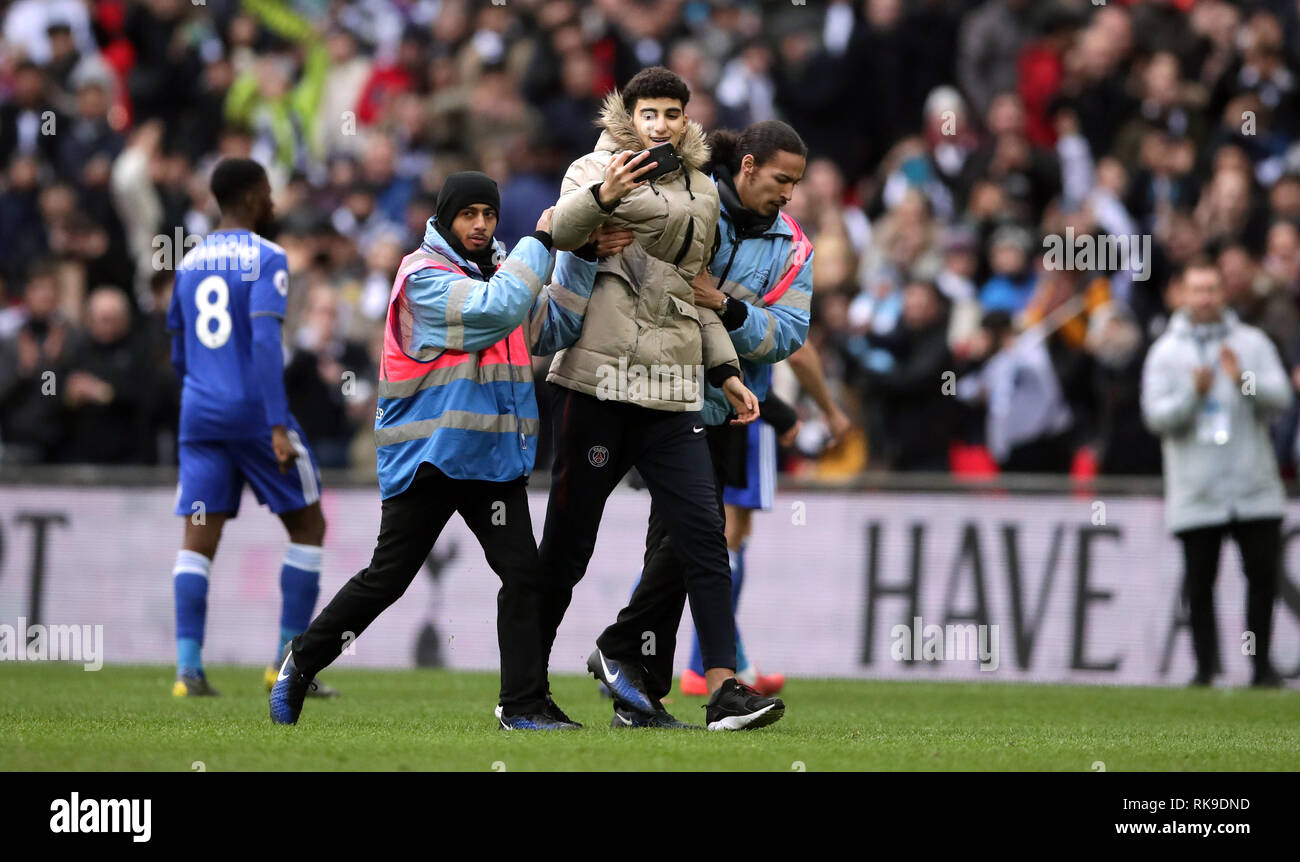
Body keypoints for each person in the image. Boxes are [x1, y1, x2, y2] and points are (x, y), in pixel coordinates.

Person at [270, 171, 600, 729]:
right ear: (445, 219)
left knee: (525, 576)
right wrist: (543, 240)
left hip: (490, 460)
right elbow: (498, 309)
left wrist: (583, 257)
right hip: (429, 457)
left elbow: (552, 328)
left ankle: (521, 704)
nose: (480, 225)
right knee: (388, 580)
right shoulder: (420, 275)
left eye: (489, 215)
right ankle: (301, 660)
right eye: (469, 214)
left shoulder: (504, 271)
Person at [538, 66, 783, 731]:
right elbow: (558, 230)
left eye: (672, 113)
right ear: (630, 114)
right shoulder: (591, 167)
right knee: (566, 548)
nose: (661, 124)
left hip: (674, 390)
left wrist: (727, 371)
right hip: (598, 382)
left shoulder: (703, 190)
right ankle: (526, 690)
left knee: (704, 535)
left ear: (685, 118)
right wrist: (601, 198)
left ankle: (723, 686)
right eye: (649, 113)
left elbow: (691, 287)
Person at [603, 120, 817, 706]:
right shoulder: (690, 204)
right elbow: (651, 285)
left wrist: (723, 304)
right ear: (747, 167)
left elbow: (789, 335)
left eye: (796, 183)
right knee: (695, 539)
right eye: (781, 179)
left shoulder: (795, 246)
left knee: (680, 543)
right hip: (651, 394)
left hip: (723, 409)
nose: (789, 194)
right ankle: (690, 678)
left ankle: (637, 675)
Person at [167, 158, 334, 698]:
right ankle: (285, 667)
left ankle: (187, 671)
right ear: (253, 195)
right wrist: (276, 424)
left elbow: (176, 347)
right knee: (308, 527)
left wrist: (200, 393)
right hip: (254, 414)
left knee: (198, 539)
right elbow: (265, 342)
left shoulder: (190, 262)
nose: (275, 201)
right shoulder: (268, 257)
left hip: (199, 412)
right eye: (269, 191)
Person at [1140, 259, 1290, 688]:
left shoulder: (1252, 342)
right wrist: (1194, 395)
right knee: (1199, 584)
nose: (1205, 298)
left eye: (1212, 289)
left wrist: (1242, 381)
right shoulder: (1166, 352)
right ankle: (1205, 669)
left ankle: (1260, 667)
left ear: (1224, 293)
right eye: (1197, 290)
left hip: (1252, 485)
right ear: (1182, 294)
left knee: (1261, 579)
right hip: (1198, 488)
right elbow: (1156, 417)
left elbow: (1279, 399)